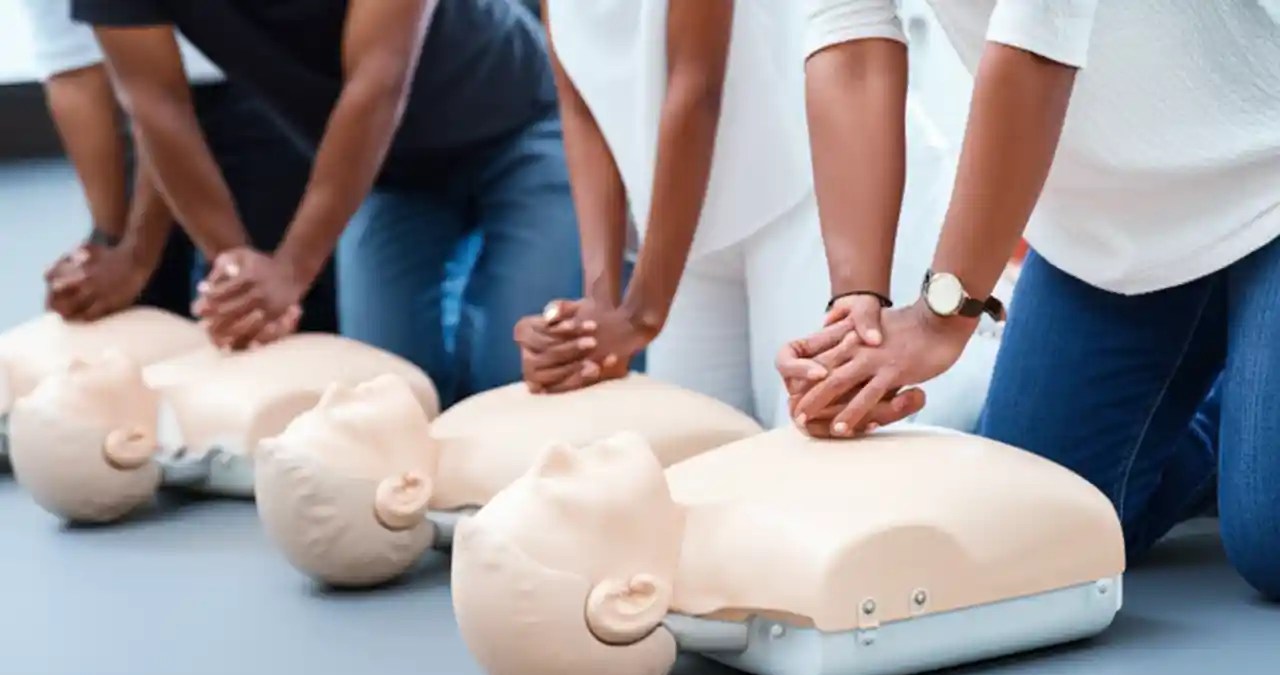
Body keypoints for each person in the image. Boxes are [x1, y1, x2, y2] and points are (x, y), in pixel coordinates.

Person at [779, 0, 1280, 597]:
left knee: (1270, 541)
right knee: (1040, 536)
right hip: (1106, 219)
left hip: (1267, 170)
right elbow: (851, 44)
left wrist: (941, 318)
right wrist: (855, 309)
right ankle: (1241, 400)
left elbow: (1035, 47)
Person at [71, 0, 581, 408]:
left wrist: (292, 270)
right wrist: (238, 271)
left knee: (514, 376)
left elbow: (377, 80)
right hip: (391, 177)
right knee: (384, 393)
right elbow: (157, 107)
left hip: (520, 126)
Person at [515, 0, 967, 429]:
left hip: (813, 190)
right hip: (686, 232)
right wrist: (598, 306)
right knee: (689, 455)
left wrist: (639, 315)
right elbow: (581, 101)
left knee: (822, 423)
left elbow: (697, 87)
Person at [20, 0, 335, 333]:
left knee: (249, 312)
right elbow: (73, 71)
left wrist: (138, 257)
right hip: (152, 98)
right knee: (133, 309)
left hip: (252, 87)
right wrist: (106, 241)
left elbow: (161, 103)